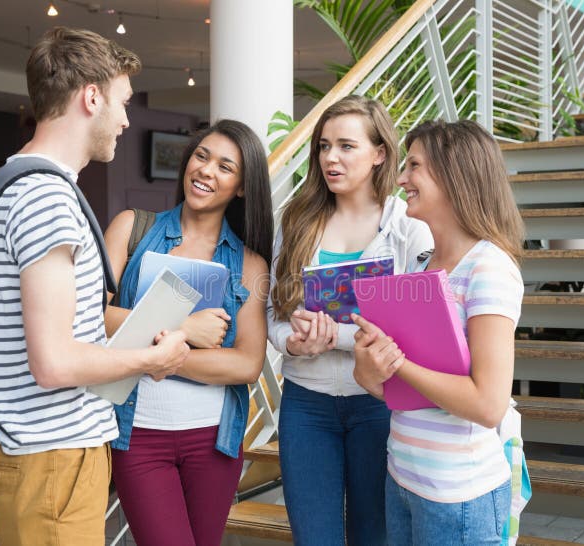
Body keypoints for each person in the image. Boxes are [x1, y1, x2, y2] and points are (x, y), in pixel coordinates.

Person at [0, 27, 190, 546]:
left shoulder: (16, 183)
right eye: (123, 102)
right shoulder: (46, 200)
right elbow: (55, 363)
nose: (125, 120)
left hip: (46, 461)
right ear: (91, 97)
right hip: (54, 462)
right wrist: (148, 360)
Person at [267, 95, 433, 546]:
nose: (330, 158)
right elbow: (273, 311)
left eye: (346, 146)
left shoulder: (409, 229)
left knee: (373, 536)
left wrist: (334, 336)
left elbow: (412, 333)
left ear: (380, 154)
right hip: (305, 404)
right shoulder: (297, 221)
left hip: (377, 404)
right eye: (323, 146)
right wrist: (292, 344)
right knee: (313, 537)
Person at [351, 119, 525, 546]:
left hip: (458, 496)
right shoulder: (421, 265)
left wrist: (400, 364)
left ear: (453, 175)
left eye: (413, 166)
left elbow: (488, 405)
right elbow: (393, 391)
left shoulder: (490, 268)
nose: (400, 178)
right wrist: (368, 366)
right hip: (404, 477)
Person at [103, 119, 273, 546]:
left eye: (225, 166)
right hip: (138, 438)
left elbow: (246, 364)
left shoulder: (251, 265)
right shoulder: (131, 229)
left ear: (241, 187)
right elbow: (90, 316)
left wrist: (153, 355)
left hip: (213, 443)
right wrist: (184, 328)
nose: (206, 171)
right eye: (201, 156)